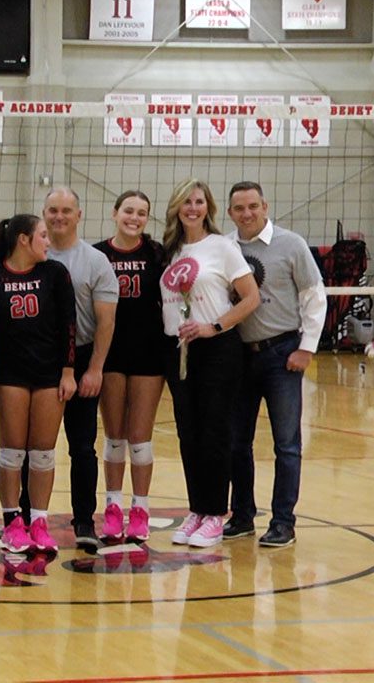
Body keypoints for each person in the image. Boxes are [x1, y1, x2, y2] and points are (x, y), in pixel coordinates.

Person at [224, 181, 326, 548]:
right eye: (239, 208)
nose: (247, 213)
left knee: (287, 444)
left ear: (265, 207)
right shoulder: (226, 247)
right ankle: (242, 516)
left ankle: (283, 522)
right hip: (239, 356)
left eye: (253, 206)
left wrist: (306, 349)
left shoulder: (291, 244)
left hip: (282, 353)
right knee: (237, 442)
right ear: (230, 212)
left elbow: (315, 297)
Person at [160, 179, 260, 549]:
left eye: (199, 201)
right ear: (176, 207)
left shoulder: (223, 246)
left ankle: (217, 514)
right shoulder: (169, 250)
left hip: (217, 349)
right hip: (178, 349)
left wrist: (213, 326)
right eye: (186, 201)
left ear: (209, 207)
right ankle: (198, 510)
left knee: (215, 432)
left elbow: (252, 298)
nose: (192, 207)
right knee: (189, 434)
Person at [18, 187, 117, 550]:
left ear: (79, 214)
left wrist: (94, 370)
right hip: (39, 361)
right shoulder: (29, 256)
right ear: (43, 215)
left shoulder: (94, 261)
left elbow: (106, 322)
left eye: (66, 210)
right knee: (32, 447)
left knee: (82, 446)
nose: (59, 217)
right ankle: (27, 519)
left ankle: (84, 522)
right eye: (52, 211)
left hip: (82, 357)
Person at [0, 214, 76, 553]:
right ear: (24, 239)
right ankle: (12, 522)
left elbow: (69, 324)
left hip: (48, 374)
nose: (48, 241)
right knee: (12, 452)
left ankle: (38, 521)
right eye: (43, 235)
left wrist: (68, 370)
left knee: (42, 453)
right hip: (9, 374)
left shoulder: (55, 273)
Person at [92, 191, 168, 543]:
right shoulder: (98, 254)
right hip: (109, 355)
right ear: (115, 213)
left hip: (149, 354)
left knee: (140, 438)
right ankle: (111, 506)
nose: (134, 218)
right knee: (114, 436)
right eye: (128, 211)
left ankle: (140, 509)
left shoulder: (157, 254)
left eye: (141, 213)